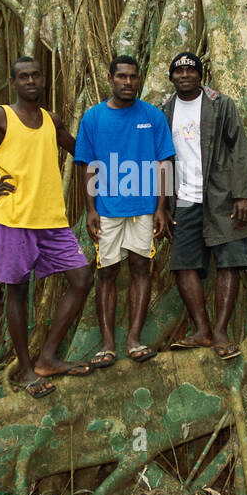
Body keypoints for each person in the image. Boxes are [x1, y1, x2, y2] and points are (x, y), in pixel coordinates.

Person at [0, 56, 92, 398]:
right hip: (14, 219)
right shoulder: (1, 116)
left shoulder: (50, 120)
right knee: (18, 291)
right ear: (14, 82)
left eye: (35, 75)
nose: (30, 81)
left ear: (43, 79)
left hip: (52, 219)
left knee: (83, 278)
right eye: (23, 76)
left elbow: (81, 151)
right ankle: (26, 370)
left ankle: (48, 357)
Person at [160, 51, 247, 360]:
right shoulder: (164, 111)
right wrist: (163, 205)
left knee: (230, 258)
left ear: (200, 74)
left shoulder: (221, 105)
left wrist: (244, 194)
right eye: (178, 71)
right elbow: (162, 160)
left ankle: (221, 332)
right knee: (182, 264)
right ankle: (202, 330)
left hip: (221, 194)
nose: (185, 75)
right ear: (171, 77)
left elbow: (240, 148)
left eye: (191, 70)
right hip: (183, 199)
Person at [74, 55, 174, 367]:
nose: (128, 82)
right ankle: (107, 344)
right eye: (122, 77)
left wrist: (161, 207)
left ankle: (133, 339)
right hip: (107, 208)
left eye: (133, 77)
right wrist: (90, 209)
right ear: (110, 78)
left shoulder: (153, 116)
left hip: (144, 207)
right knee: (107, 272)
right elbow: (88, 166)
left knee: (141, 268)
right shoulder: (92, 118)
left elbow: (163, 164)